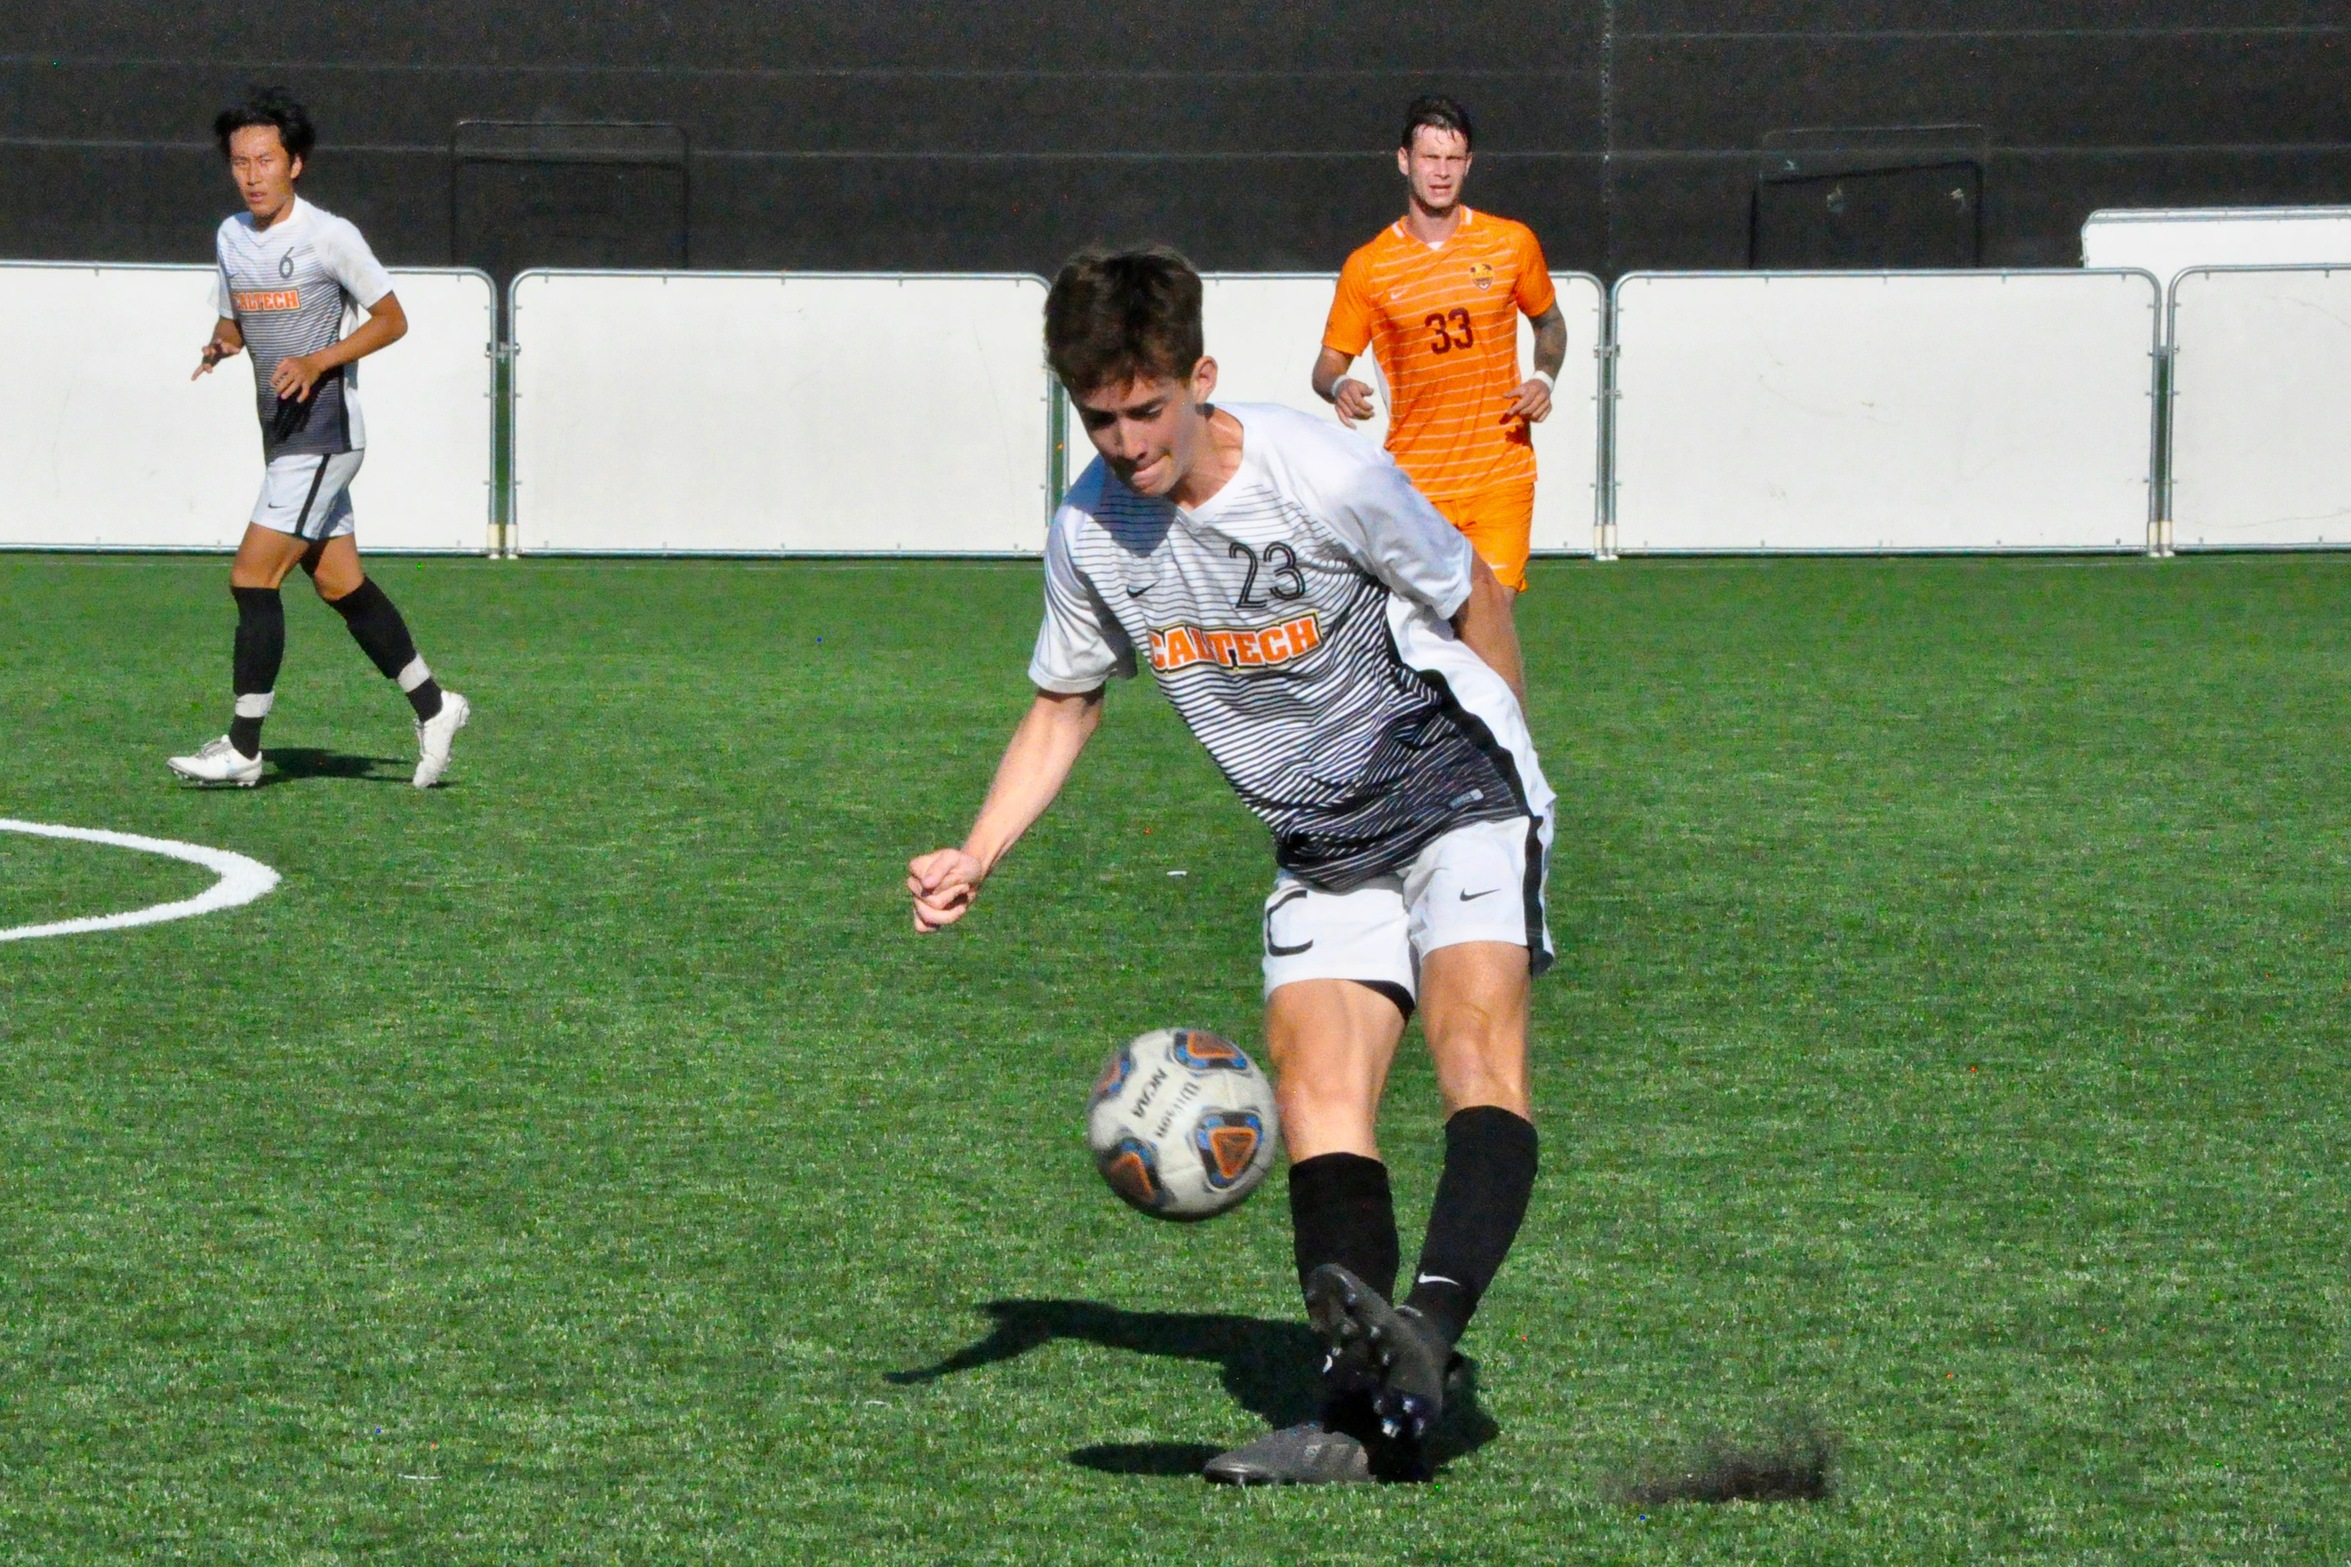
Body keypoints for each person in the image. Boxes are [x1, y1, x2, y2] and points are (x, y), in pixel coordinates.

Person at [908, 248, 1552, 1484]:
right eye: (1098, 417)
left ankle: (1426, 1331)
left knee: (1472, 1049)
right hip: (1316, 840)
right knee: (1316, 1095)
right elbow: (1065, 701)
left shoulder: (1319, 472)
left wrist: (1514, 761)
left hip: (1453, 787)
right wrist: (975, 852)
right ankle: (1359, 1421)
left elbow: (1471, 587)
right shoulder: (1090, 531)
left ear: (1200, 378)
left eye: (1146, 410)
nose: (1125, 441)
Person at [169, 87, 469, 789]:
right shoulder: (231, 236)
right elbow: (235, 319)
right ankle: (435, 705)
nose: (252, 175)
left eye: (265, 160)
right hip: (283, 436)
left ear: (295, 163)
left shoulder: (329, 236)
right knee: (340, 583)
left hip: (325, 433)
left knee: (252, 578)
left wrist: (317, 360)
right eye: (240, 162)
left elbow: (392, 319)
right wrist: (221, 343)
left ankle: (243, 748)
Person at [1313, 95, 1567, 603]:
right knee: (1431, 630)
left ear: (1468, 164)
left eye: (1453, 159)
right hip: (1417, 480)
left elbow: (1550, 322)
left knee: (1489, 614)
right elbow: (1327, 365)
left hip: (1500, 472)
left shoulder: (1510, 243)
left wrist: (1544, 377)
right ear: (1404, 160)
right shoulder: (1369, 266)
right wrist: (1340, 386)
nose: (1442, 172)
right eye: (1430, 157)